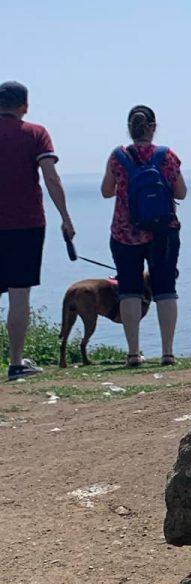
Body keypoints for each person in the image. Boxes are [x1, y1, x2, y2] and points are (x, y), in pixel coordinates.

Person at [0, 81, 75, 380]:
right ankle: (16, 363)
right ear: (24, 106)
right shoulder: (36, 134)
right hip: (26, 223)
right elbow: (51, 179)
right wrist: (66, 218)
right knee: (19, 295)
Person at [101, 105, 187, 367]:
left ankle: (133, 354)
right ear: (153, 126)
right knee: (166, 290)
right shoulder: (166, 156)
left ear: (129, 127)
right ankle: (168, 353)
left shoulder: (118, 157)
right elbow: (181, 193)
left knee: (129, 290)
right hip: (163, 232)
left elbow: (106, 191)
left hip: (125, 233)